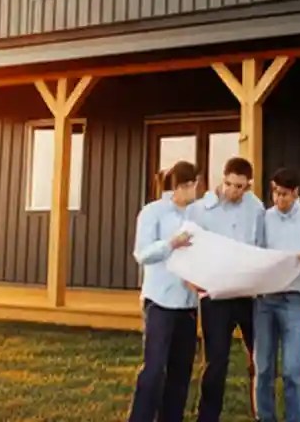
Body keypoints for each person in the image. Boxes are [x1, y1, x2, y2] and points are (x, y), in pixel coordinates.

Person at [186, 156, 264, 422]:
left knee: (260, 359)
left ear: (248, 185)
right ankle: (207, 417)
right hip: (216, 298)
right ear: (223, 179)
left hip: (248, 296)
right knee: (216, 362)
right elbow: (188, 250)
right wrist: (195, 281)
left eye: (241, 187)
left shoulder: (256, 208)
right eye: (230, 185)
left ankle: (262, 413)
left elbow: (261, 246)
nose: (234, 191)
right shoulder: (199, 210)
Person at [128, 160, 202, 422]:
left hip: (188, 305)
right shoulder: (153, 212)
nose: (195, 190)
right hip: (159, 301)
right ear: (181, 186)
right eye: (192, 185)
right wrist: (171, 243)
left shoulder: (198, 214)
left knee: (181, 371)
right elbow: (142, 253)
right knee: (154, 369)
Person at [254, 167, 300, 422]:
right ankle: (265, 417)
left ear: (296, 193)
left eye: (284, 194)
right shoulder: (265, 218)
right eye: (274, 193)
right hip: (265, 300)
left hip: (293, 301)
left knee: (292, 370)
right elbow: (256, 254)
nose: (278, 199)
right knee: (263, 367)